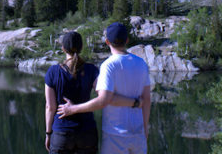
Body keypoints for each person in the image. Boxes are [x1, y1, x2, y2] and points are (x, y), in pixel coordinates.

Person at [56, 22, 151, 154]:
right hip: (138, 133)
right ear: (127, 40)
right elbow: (147, 99)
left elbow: (104, 100)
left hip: (115, 134)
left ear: (107, 42)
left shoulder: (108, 65)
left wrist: (72, 109)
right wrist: (145, 128)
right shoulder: (141, 64)